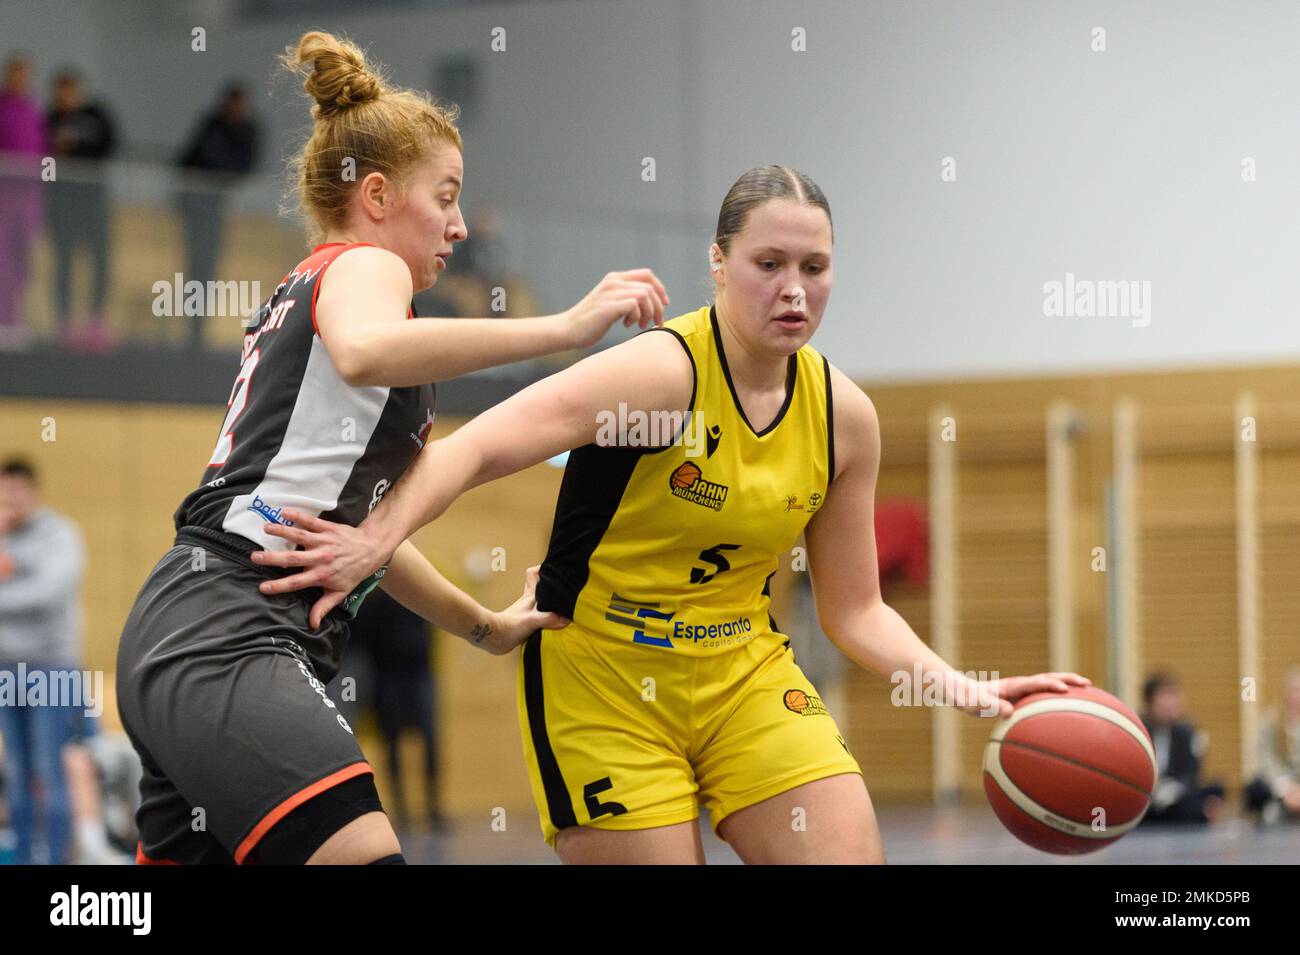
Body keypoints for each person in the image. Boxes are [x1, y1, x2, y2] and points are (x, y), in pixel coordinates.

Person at [252, 164, 1090, 864]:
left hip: (743, 671)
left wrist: (961, 687)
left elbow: (855, 607)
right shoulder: (660, 376)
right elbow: (474, 448)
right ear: (719, 263)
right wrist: (375, 539)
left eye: (815, 266)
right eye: (769, 263)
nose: (794, 289)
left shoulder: (845, 417)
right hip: (603, 674)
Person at [115, 30, 668, 866]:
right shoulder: (363, 269)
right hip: (229, 627)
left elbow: (365, 543)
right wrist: (562, 329)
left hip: (196, 625)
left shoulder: (331, 297)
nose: (456, 225)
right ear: (374, 195)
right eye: (443, 198)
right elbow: (365, 351)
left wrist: (481, 625)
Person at [0, 457, 86, 864]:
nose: (10, 500)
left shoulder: (59, 535)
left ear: (33, 492)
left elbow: (46, 595)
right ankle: (21, 856)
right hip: (5, 669)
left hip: (52, 669)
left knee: (50, 772)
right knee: (15, 772)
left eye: (17, 491)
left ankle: (54, 861)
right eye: (3, 492)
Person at [175, 82, 260, 352]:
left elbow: (239, 168)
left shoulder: (247, 131)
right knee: (196, 270)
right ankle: (192, 332)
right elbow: (188, 158)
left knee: (208, 271)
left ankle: (200, 331)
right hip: (196, 209)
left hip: (218, 212)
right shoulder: (210, 124)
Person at [46, 68, 117, 353]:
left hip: (93, 202)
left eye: (70, 90)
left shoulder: (97, 115)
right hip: (63, 204)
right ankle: (63, 323)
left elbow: (109, 146)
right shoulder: (51, 118)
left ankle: (95, 321)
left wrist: (79, 145)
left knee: (99, 261)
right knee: (65, 262)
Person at [0, 53, 45, 352]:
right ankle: (4, 319)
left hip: (27, 197)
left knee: (23, 260)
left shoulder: (32, 110)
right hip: (4, 194)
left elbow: (42, 151)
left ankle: (16, 320)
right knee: (3, 259)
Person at [1138, 672, 1225, 825]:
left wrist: (1172, 789)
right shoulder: (1137, 730)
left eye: (1175, 696)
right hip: (1146, 795)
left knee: (1215, 788)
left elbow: (1192, 775)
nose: (1174, 702)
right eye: (1167, 696)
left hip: (1176, 797)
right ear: (1151, 701)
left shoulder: (1187, 732)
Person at [1244, 666, 1300, 824]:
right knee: (1254, 788)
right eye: (1294, 690)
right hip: (1280, 786)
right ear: (1286, 694)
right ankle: (1272, 811)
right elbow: (1266, 759)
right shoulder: (1271, 722)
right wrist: (1286, 787)